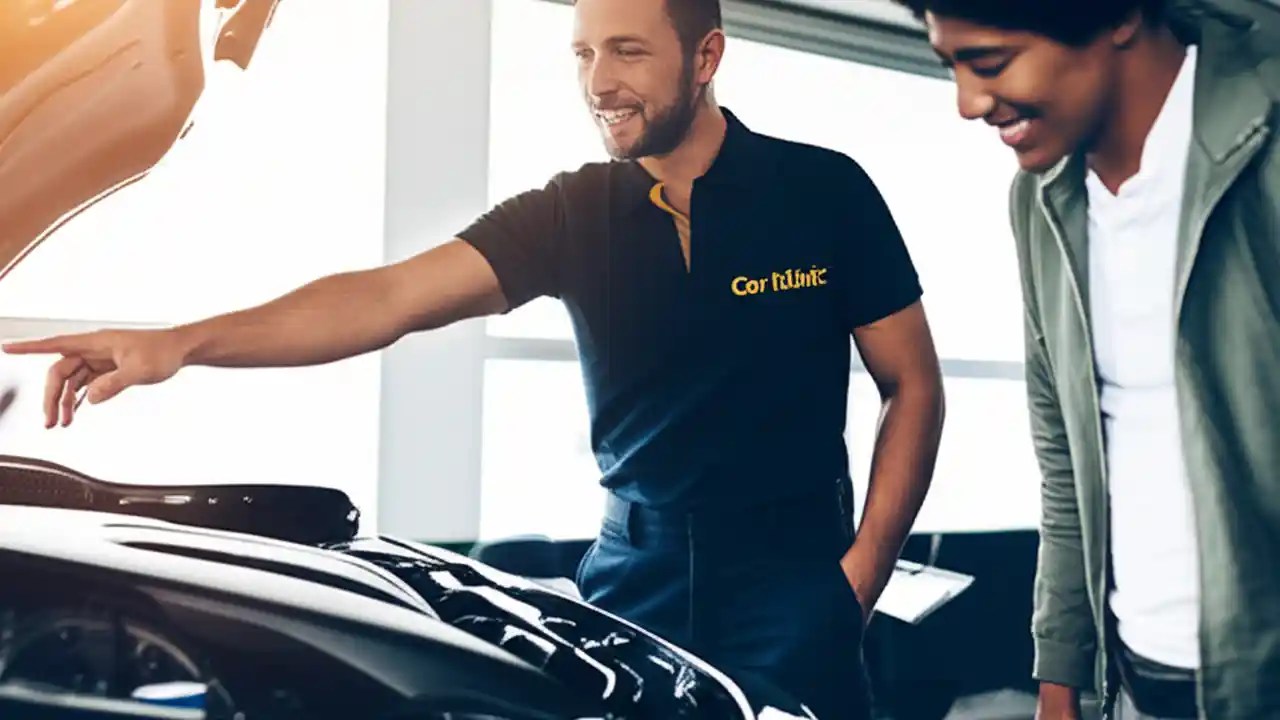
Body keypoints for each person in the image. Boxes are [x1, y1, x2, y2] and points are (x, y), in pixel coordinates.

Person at [3, 0, 947, 716]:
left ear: (706, 57)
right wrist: (178, 344)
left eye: (626, 50)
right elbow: (383, 299)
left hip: (796, 574)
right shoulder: (570, 212)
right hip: (633, 574)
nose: (598, 82)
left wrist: (857, 577)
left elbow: (912, 387)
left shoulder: (825, 190)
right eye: (582, 52)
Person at [888, 0, 1280, 718]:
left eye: (990, 63)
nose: (967, 104)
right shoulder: (1039, 199)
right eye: (952, 67)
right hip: (1134, 687)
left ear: (1120, 16)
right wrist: (1061, 679)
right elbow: (1067, 462)